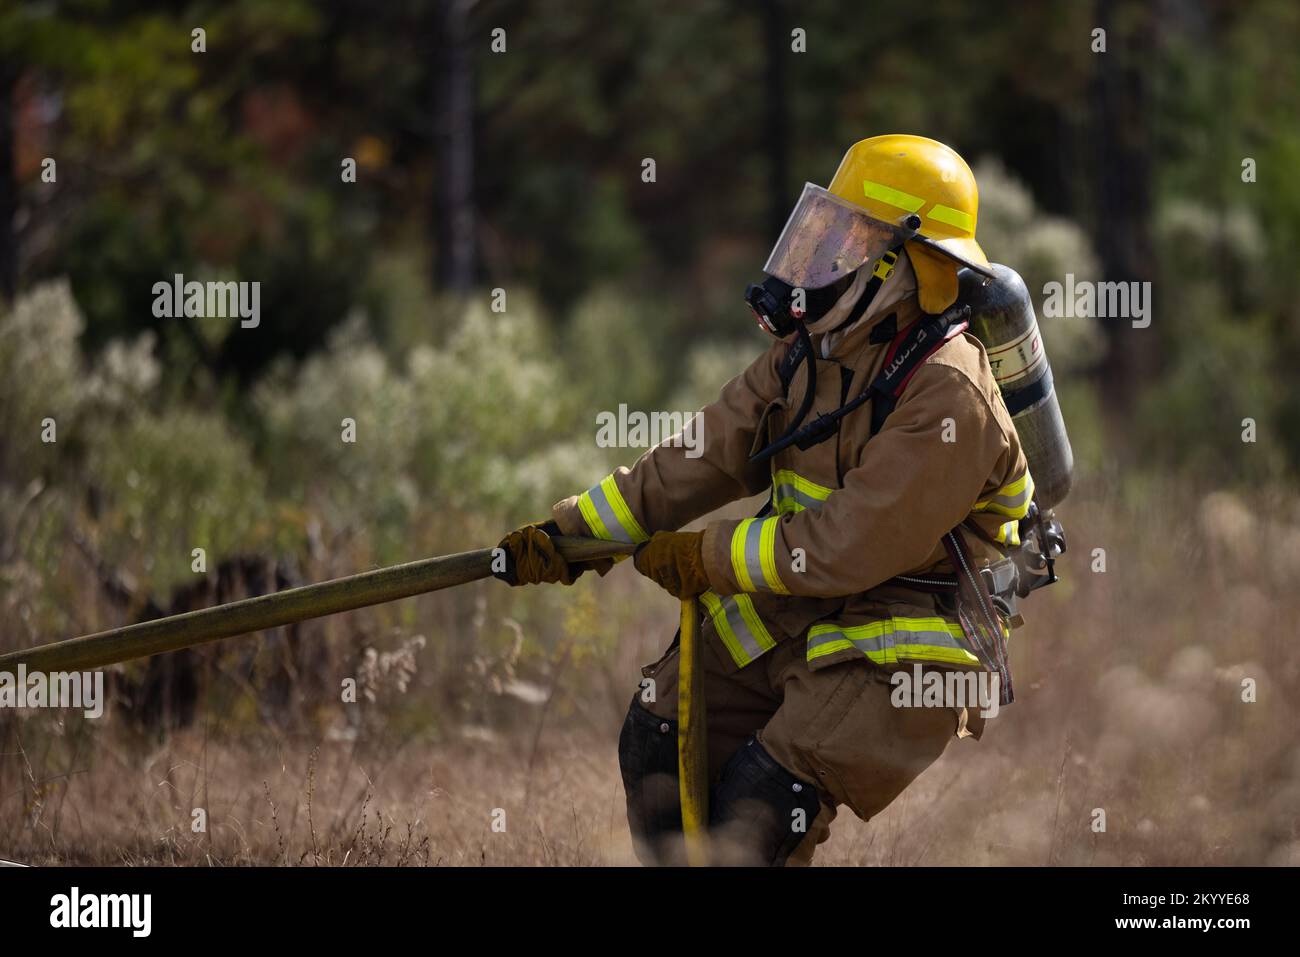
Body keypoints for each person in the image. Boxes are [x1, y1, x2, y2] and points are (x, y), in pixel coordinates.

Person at [495, 134, 1032, 866]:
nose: (817, 259)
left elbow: (849, 543)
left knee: (760, 798)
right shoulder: (811, 351)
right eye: (821, 232)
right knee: (658, 736)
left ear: (902, 265)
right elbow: (700, 455)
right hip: (801, 605)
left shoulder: (951, 391)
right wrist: (571, 535)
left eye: (846, 240)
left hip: (907, 643)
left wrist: (704, 555)